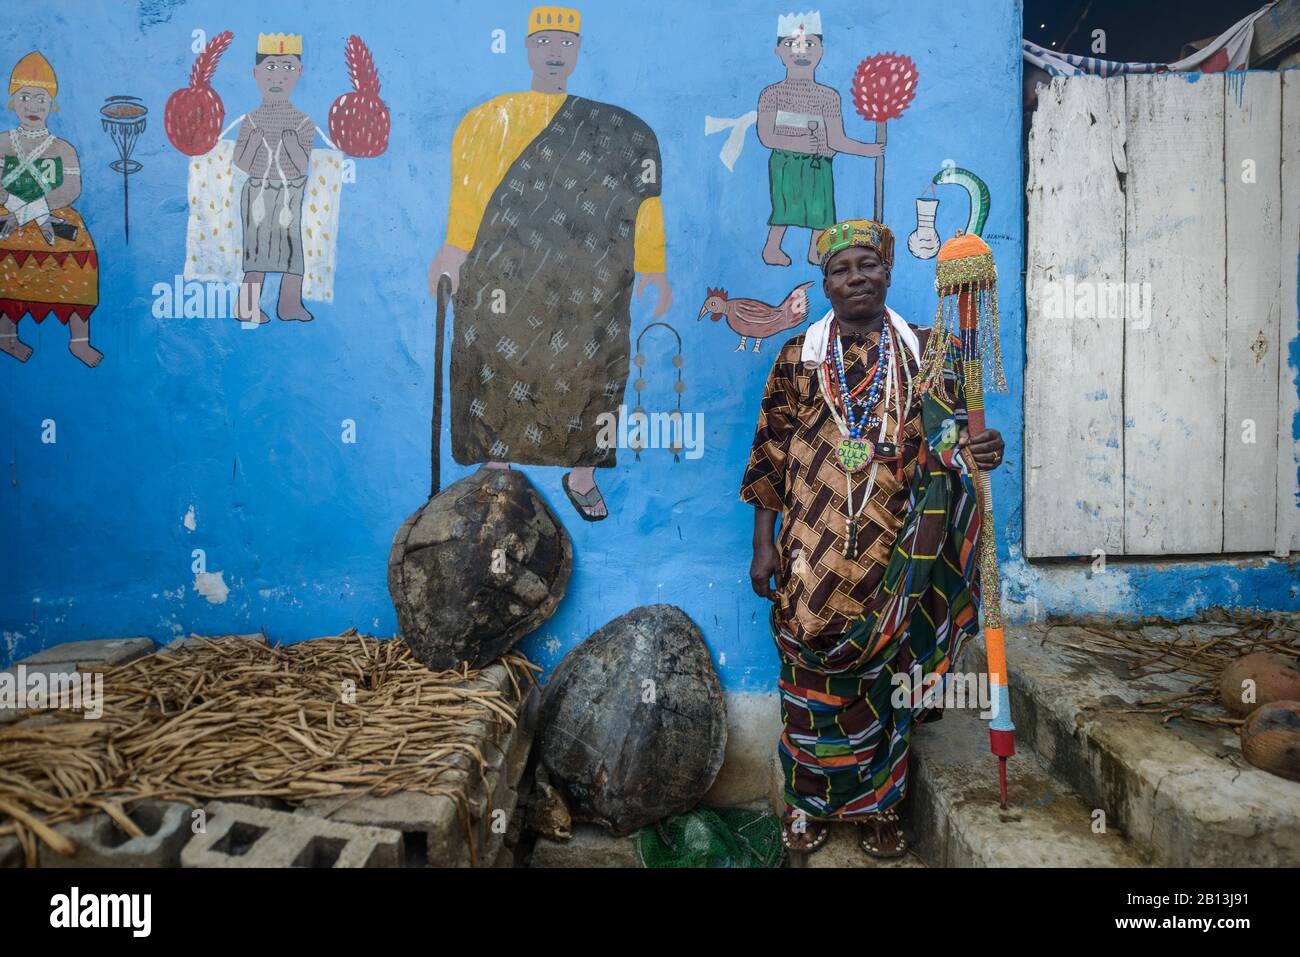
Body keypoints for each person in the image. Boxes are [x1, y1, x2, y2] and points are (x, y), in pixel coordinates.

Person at [739, 218, 1004, 858]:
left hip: (896, 550)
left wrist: (977, 451)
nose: (856, 277)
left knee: (890, 677)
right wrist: (762, 544)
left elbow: (948, 448)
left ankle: (880, 808)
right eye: (841, 269)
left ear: (888, 271)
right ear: (824, 282)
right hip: (810, 552)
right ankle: (805, 802)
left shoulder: (926, 353)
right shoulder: (798, 356)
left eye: (868, 266)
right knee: (808, 677)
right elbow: (770, 456)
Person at [426, 5, 672, 522]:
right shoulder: (488, 120)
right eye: (544, 42)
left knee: (590, 363)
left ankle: (580, 473)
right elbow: (467, 199)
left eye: (566, 43)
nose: (555, 53)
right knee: (492, 356)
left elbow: (645, 204)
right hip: (506, 273)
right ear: (527, 48)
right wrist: (451, 253)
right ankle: (497, 467)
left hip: (585, 280)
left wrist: (654, 268)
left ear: (579, 50)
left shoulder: (621, 128)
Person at [757, 11, 883, 267]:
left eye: (809, 44)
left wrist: (867, 150)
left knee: (821, 209)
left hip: (819, 164)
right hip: (786, 162)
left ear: (821, 51)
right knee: (786, 207)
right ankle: (772, 247)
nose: (800, 51)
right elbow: (766, 136)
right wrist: (798, 144)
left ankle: (817, 250)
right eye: (791, 44)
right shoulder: (772, 95)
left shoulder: (828, 97)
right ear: (778, 51)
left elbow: (837, 139)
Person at [0, 51, 101, 366]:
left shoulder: (63, 149)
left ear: (51, 104)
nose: (33, 106)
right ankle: (7, 337)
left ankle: (79, 342)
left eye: (41, 99)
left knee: (82, 259)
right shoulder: (3, 143)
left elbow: (71, 190)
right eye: (25, 97)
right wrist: (15, 210)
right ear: (13, 102)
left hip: (53, 219)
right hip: (6, 217)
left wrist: (33, 212)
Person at [232, 33, 314, 325]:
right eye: (270, 67)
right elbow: (241, 162)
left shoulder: (304, 122)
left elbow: (303, 164)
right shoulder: (251, 121)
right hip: (258, 193)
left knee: (292, 252)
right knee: (257, 251)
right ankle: (247, 306)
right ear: (255, 73)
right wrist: (253, 143)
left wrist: (292, 146)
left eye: (288, 67)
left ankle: (289, 305)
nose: (278, 76)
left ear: (299, 72)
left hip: (290, 194)